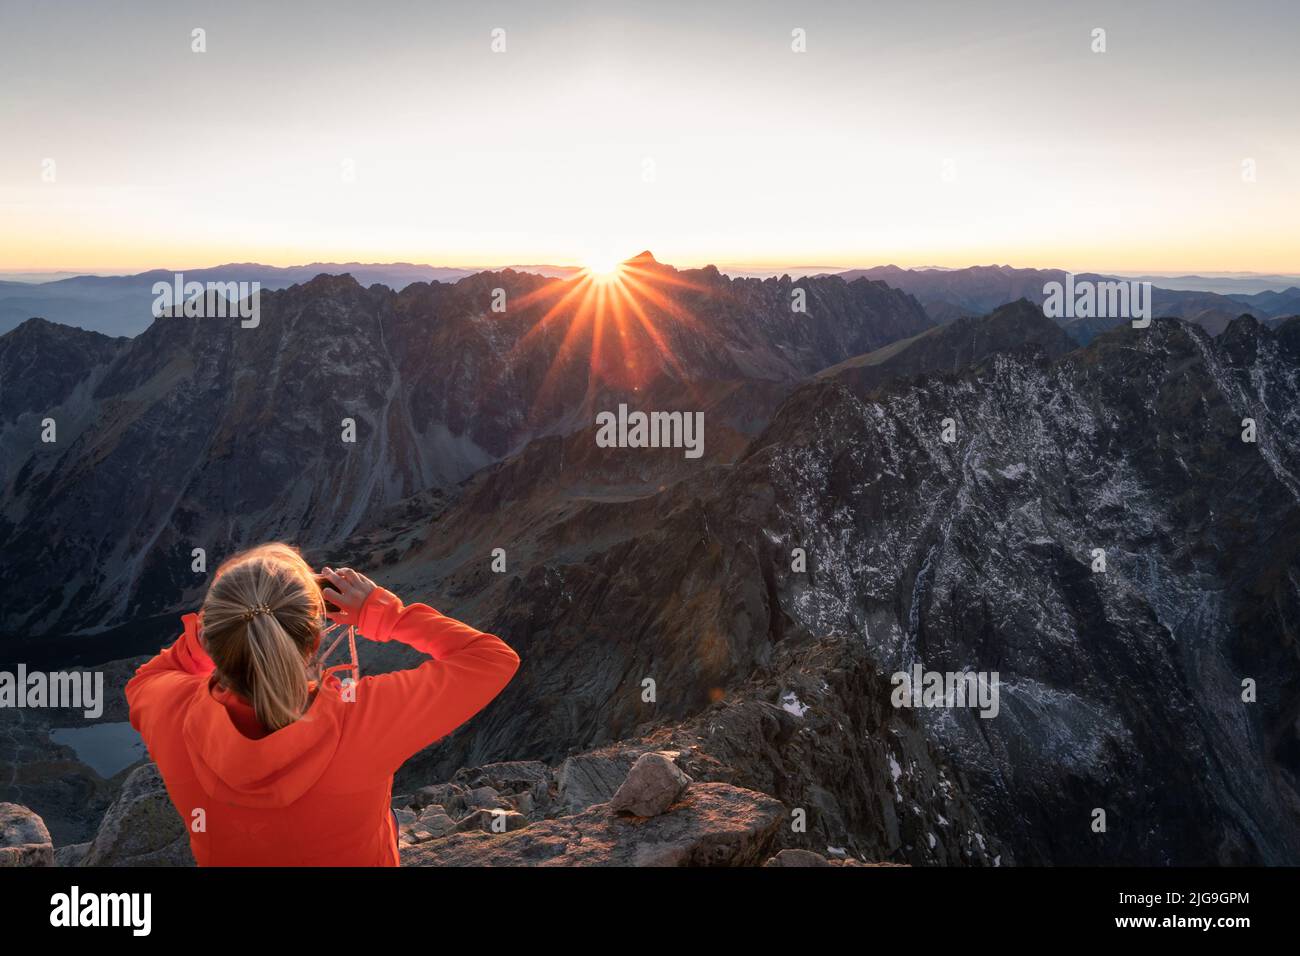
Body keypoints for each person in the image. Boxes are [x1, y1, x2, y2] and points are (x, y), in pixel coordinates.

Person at [125, 542, 520, 866]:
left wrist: (215, 632)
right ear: (315, 640)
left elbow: (148, 677)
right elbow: (491, 659)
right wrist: (382, 614)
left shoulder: (170, 708)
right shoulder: (364, 716)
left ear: (212, 635)